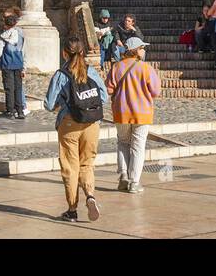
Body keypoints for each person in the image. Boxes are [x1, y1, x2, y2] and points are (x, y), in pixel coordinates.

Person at [44, 38, 108, 222]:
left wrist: (60, 105)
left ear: (65, 53)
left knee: (70, 167)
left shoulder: (61, 75)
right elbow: (103, 97)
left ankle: (72, 209)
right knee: (87, 163)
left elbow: (49, 104)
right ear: (82, 52)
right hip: (91, 123)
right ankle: (90, 195)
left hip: (70, 123)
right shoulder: (92, 71)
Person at [107, 36, 160, 194]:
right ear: (136, 51)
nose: (144, 50)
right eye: (143, 47)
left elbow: (109, 89)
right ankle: (134, 182)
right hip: (142, 113)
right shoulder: (146, 68)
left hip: (121, 112)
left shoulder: (117, 67)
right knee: (138, 147)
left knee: (123, 142)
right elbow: (155, 91)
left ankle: (123, 175)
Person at [0, 12, 26, 118]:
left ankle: (10, 110)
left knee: (9, 87)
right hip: (18, 63)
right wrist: (24, 67)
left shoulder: (2, 37)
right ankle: (20, 110)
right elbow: (23, 51)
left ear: (6, 24)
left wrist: (1, 59)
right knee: (18, 87)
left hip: (7, 64)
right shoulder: (20, 36)